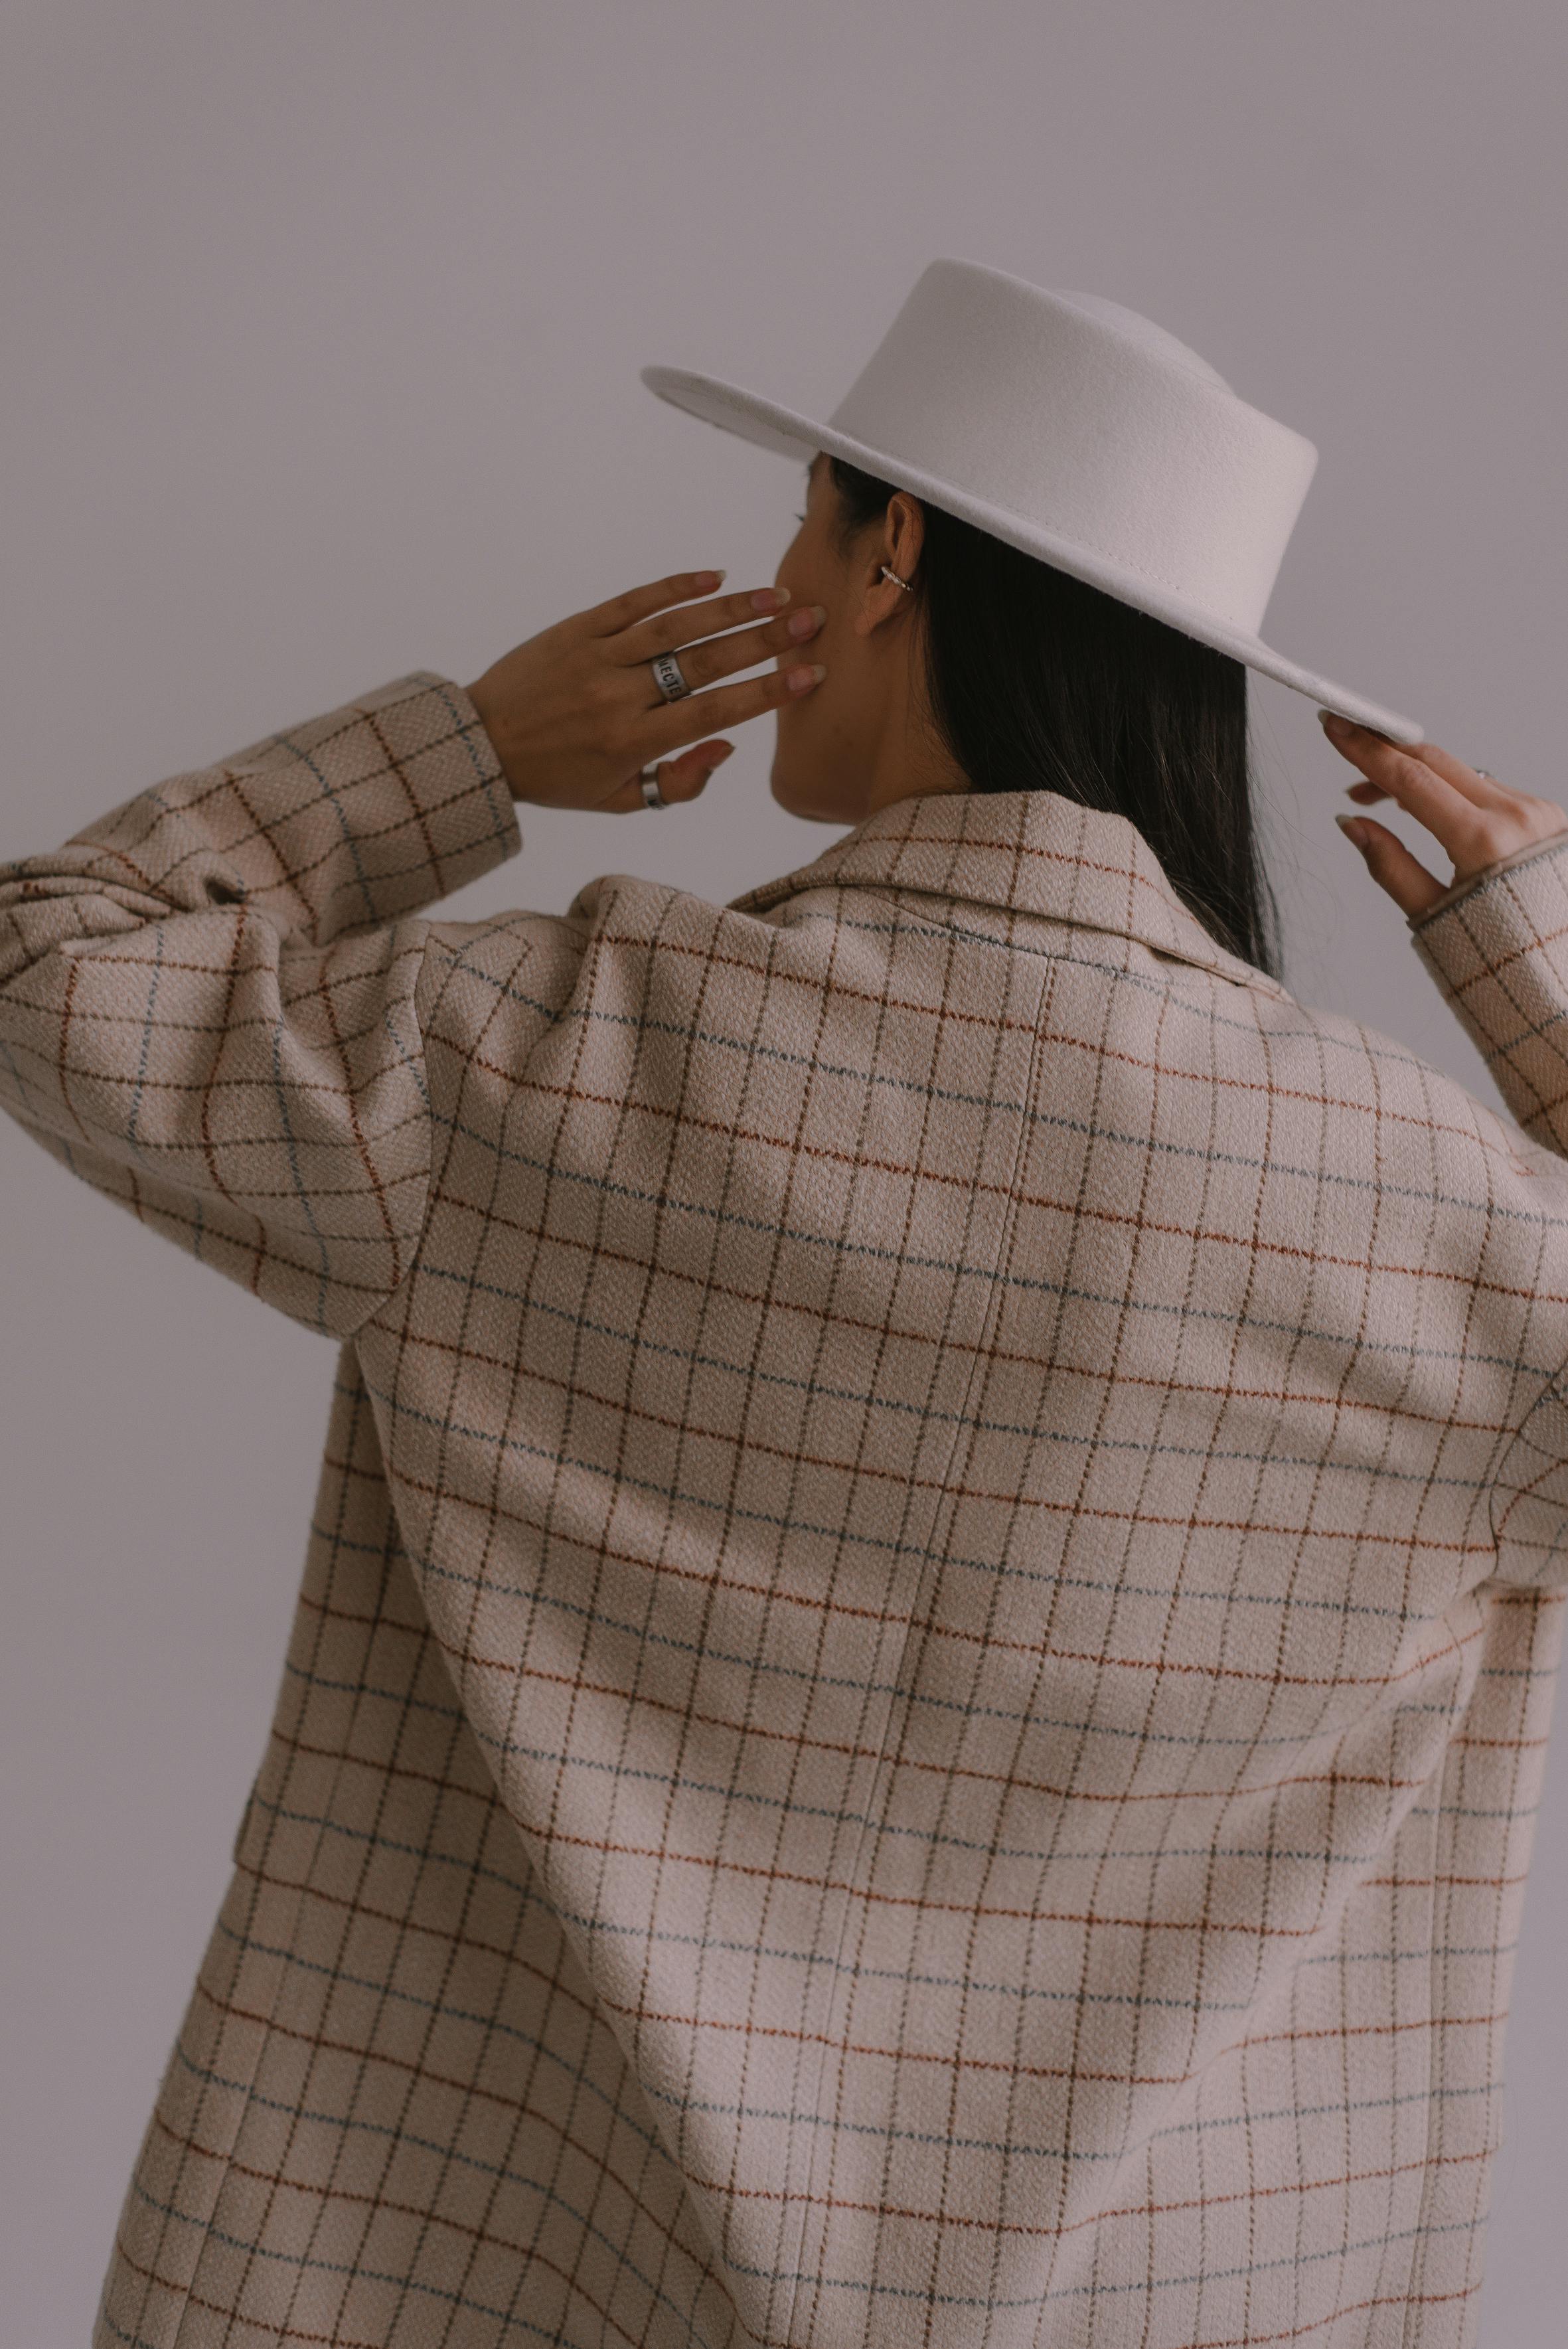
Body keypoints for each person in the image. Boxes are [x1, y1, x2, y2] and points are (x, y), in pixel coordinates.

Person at [5, 264, 1567, 2349]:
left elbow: (54, 961)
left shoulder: (543, 1051)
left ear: (886, 548)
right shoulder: (1435, 1224)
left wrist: (463, 747)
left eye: (803, 524)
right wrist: (1535, 970)